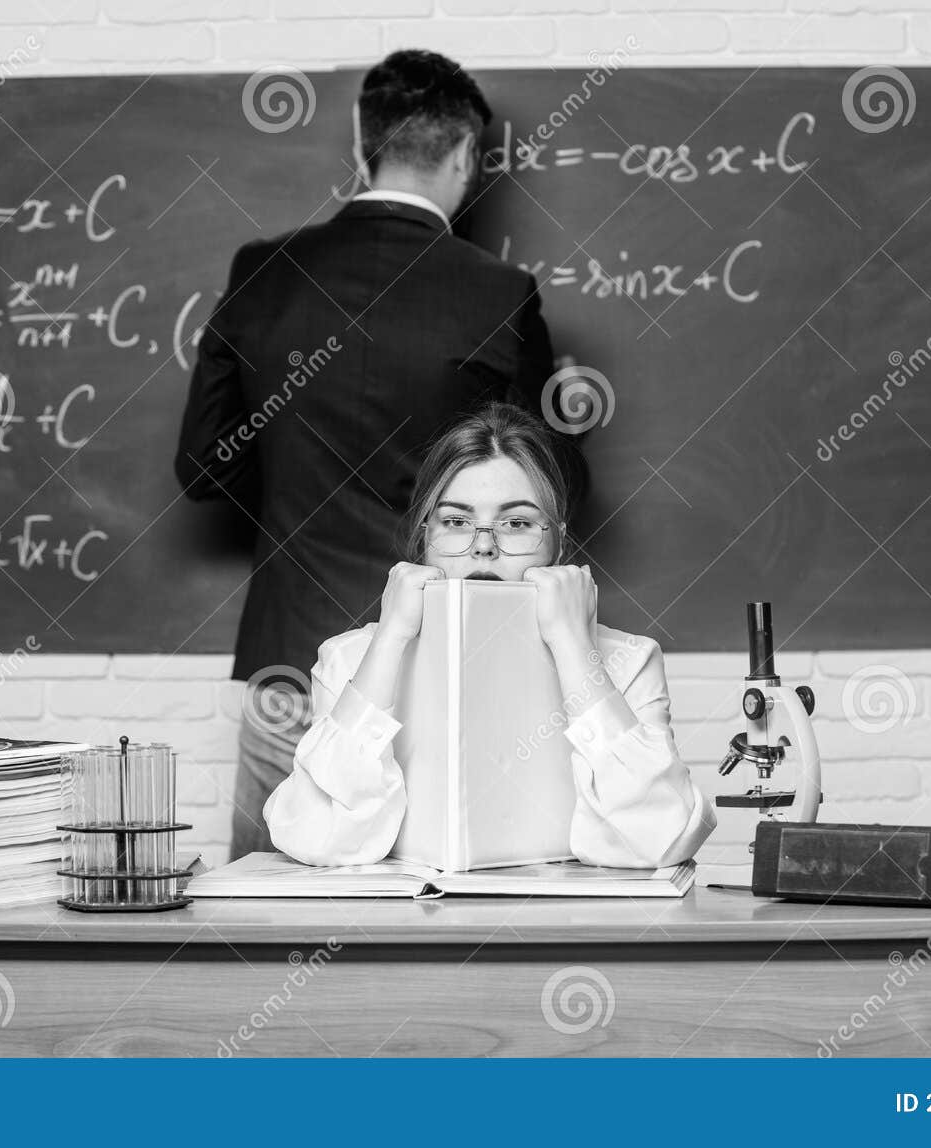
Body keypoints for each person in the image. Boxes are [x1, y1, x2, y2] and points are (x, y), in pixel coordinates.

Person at [174, 50, 563, 860]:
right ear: (464, 156)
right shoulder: (499, 293)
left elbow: (206, 467)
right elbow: (552, 488)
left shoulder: (261, 273)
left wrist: (294, 494)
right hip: (445, 664)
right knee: (443, 915)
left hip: (290, 657)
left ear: (362, 143)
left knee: (264, 921)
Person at [264, 403, 717, 870]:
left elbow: (663, 837)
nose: (484, 546)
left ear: (558, 542)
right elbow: (317, 839)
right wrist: (391, 637)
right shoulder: (349, 659)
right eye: (456, 522)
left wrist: (574, 646)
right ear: (424, 539)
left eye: (517, 523)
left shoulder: (629, 660)